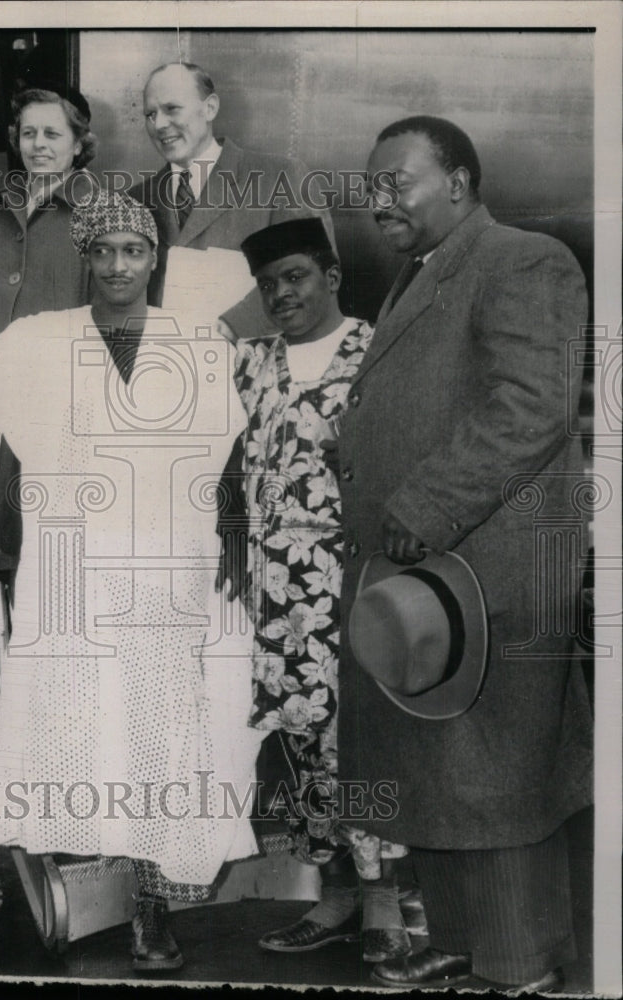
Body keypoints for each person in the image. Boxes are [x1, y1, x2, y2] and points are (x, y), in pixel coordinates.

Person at [335, 117, 593, 990]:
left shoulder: (522, 259)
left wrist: (425, 503)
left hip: (490, 567)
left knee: (498, 769)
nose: (380, 203)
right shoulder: (422, 271)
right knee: (434, 760)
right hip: (430, 571)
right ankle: (457, 936)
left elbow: (532, 406)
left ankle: (519, 959)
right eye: (370, 188)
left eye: (396, 182)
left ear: (459, 180)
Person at [0, 191, 262, 973]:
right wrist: (3, 549)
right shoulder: (39, 341)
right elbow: (12, 457)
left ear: (154, 258)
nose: (117, 267)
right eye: (102, 252)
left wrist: (234, 544)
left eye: (132, 252)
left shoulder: (195, 342)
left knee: (156, 729)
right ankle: (81, 894)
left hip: (167, 566)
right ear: (84, 258)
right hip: (73, 569)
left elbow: (227, 455)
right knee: (78, 730)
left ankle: (149, 907)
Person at [217, 218, 413, 964]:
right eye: (267, 285)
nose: (281, 295)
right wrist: (233, 543)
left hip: (361, 585)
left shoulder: (380, 352)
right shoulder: (249, 363)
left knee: (364, 740)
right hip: (276, 599)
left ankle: (386, 901)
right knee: (299, 743)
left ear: (331, 276)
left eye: (295, 277)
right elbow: (225, 471)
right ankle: (333, 894)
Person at [0, 86, 101, 581]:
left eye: (53, 133)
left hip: (56, 412)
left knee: (51, 561)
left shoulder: (101, 213)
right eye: (28, 133)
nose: (38, 144)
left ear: (79, 143)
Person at [130, 61, 332, 335]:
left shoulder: (279, 176)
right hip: (166, 365)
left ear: (210, 108)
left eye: (171, 109)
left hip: (258, 365)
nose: (160, 124)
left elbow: (316, 280)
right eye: (150, 114)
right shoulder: (135, 199)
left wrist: (232, 327)